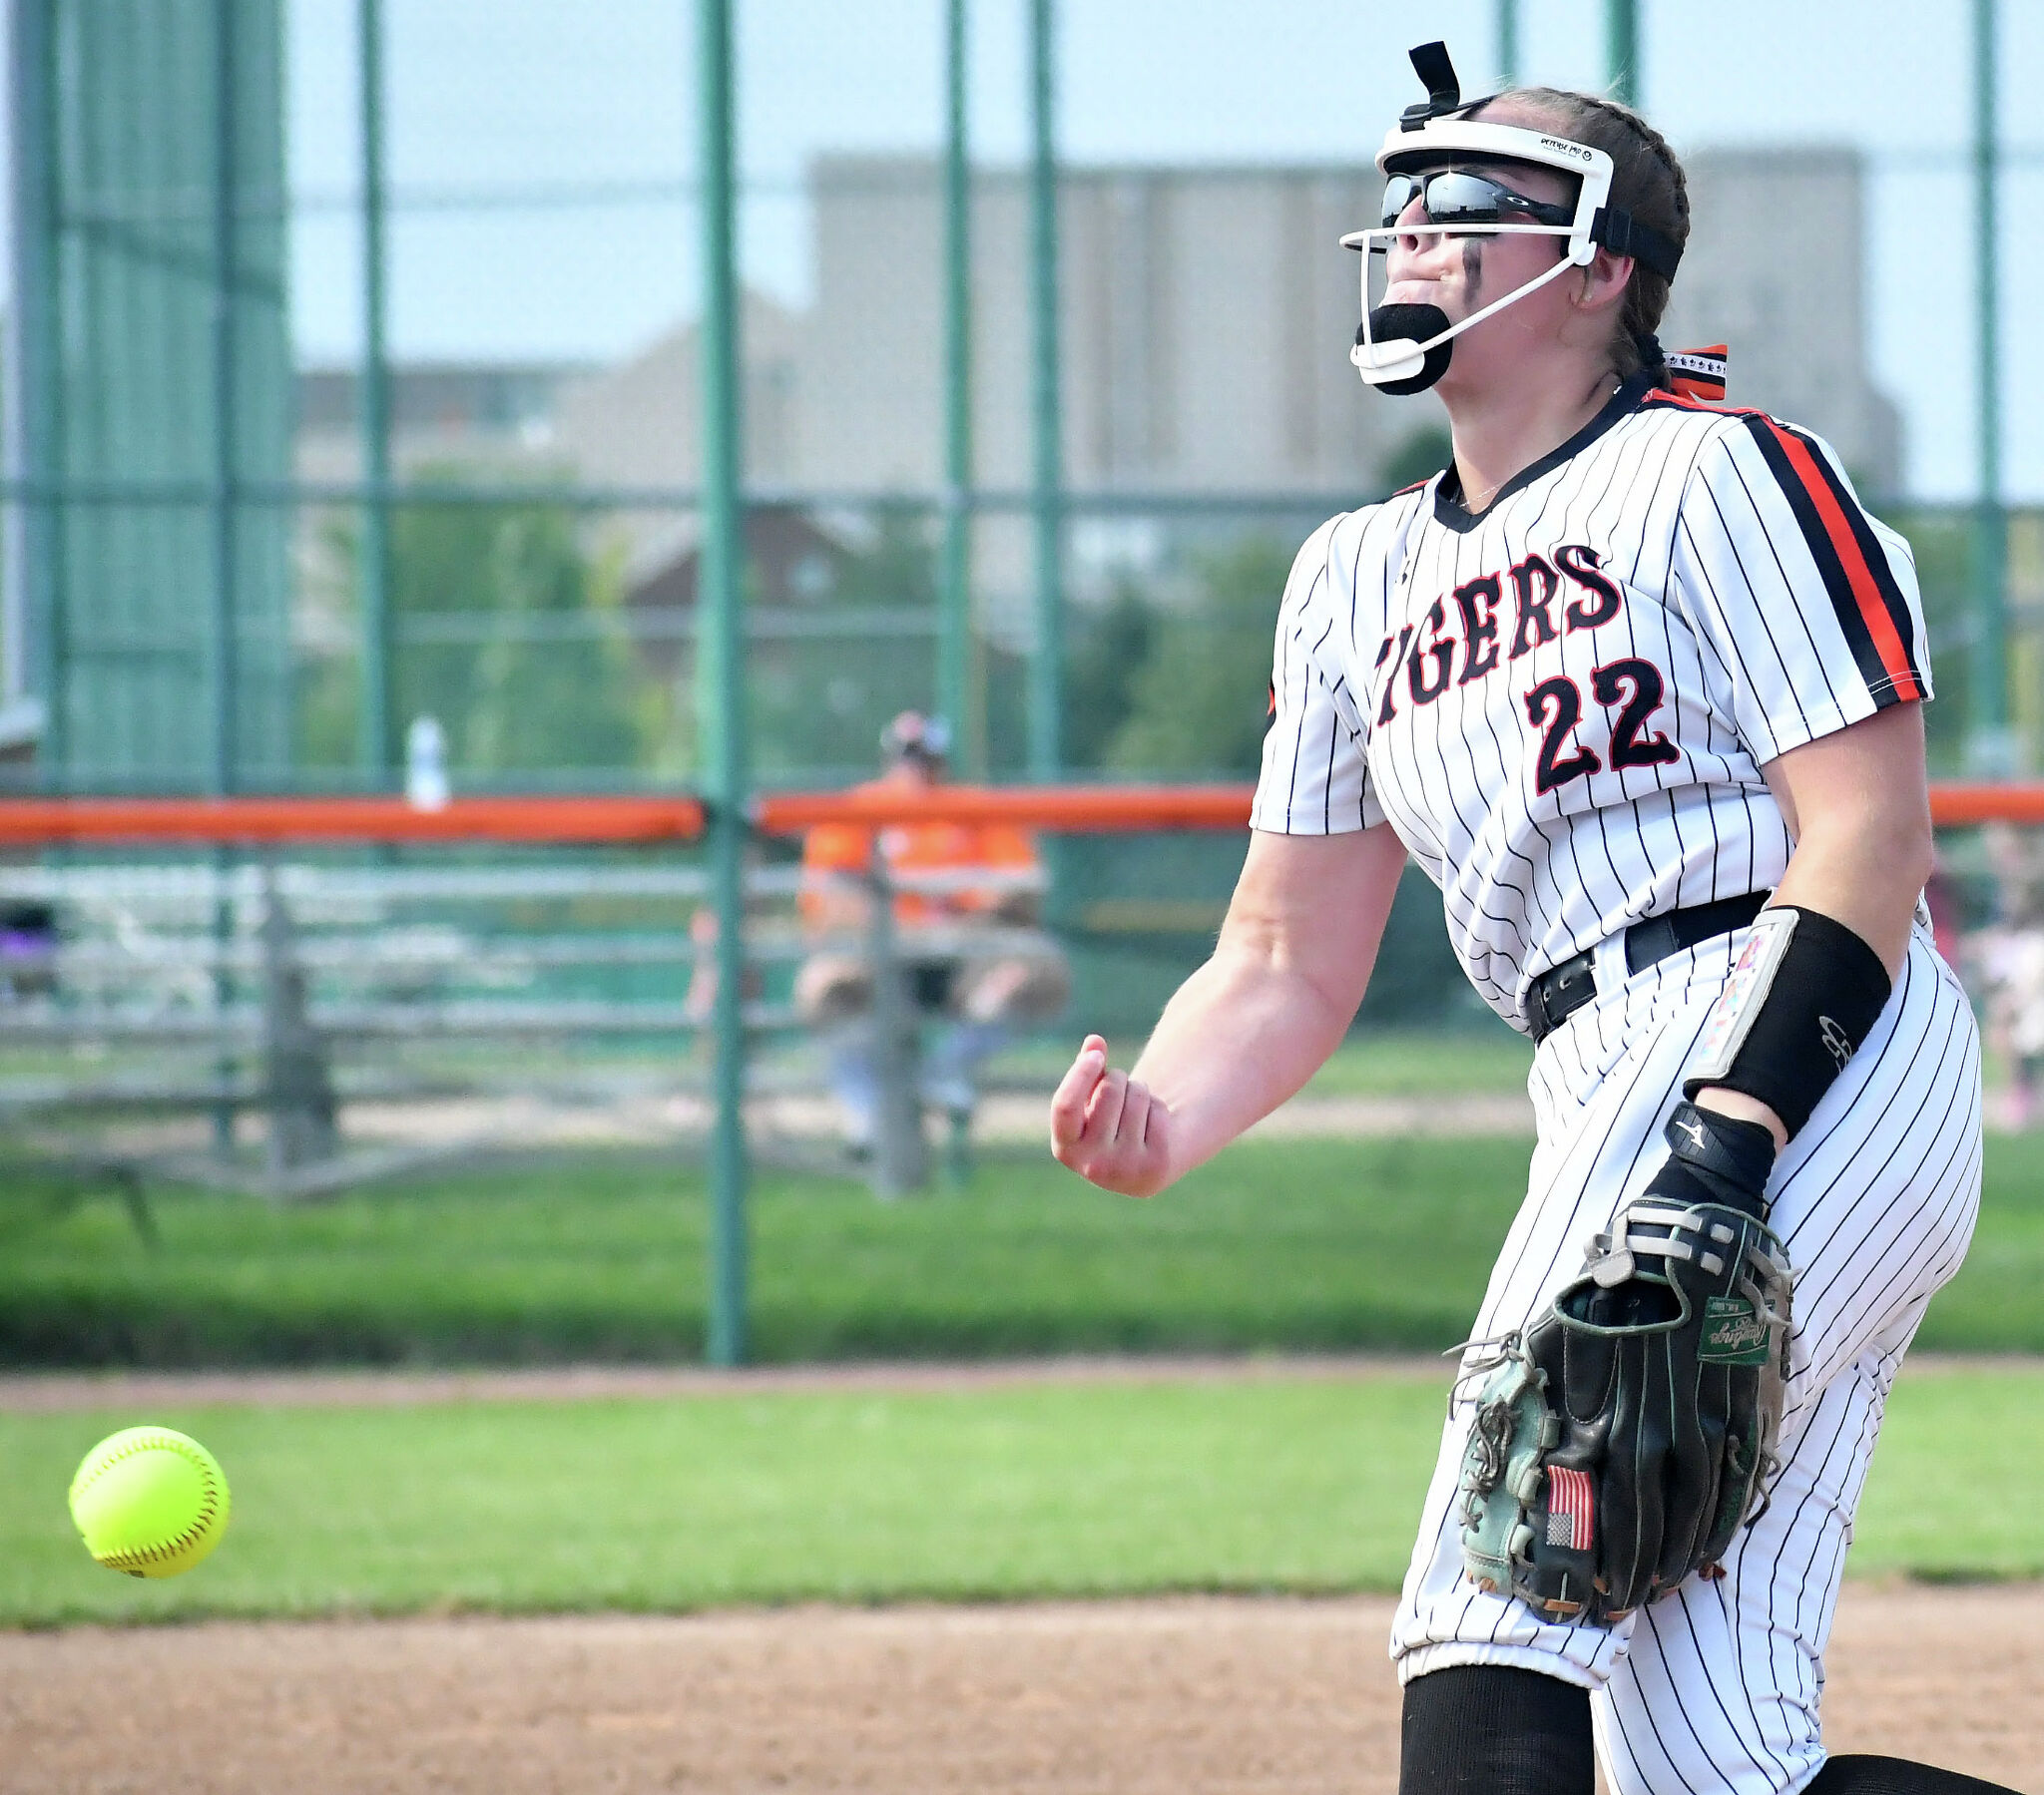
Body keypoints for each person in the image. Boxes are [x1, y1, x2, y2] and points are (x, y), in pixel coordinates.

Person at [1052, 44, 1996, 1795]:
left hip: (1786, 1026)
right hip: (1596, 1063)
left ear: (1603, 264)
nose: (1413, 231)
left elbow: (1864, 842)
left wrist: (1724, 1138)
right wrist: (1167, 1110)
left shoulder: (1721, 475)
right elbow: (1279, 953)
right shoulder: (1350, 577)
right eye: (1404, 203)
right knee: (1709, 1768)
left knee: (1492, 1600)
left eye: (1468, 202)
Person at [799, 711, 1069, 1155]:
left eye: (925, 757)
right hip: (879, 955)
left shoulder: (972, 807)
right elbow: (830, 897)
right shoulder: (858, 809)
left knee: (1034, 971)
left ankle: (944, 1071)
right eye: (905, 756)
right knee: (826, 985)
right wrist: (903, 916)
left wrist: (965, 908)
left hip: (966, 954)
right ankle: (867, 1116)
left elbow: (1018, 886)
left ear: (942, 762)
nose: (915, 769)